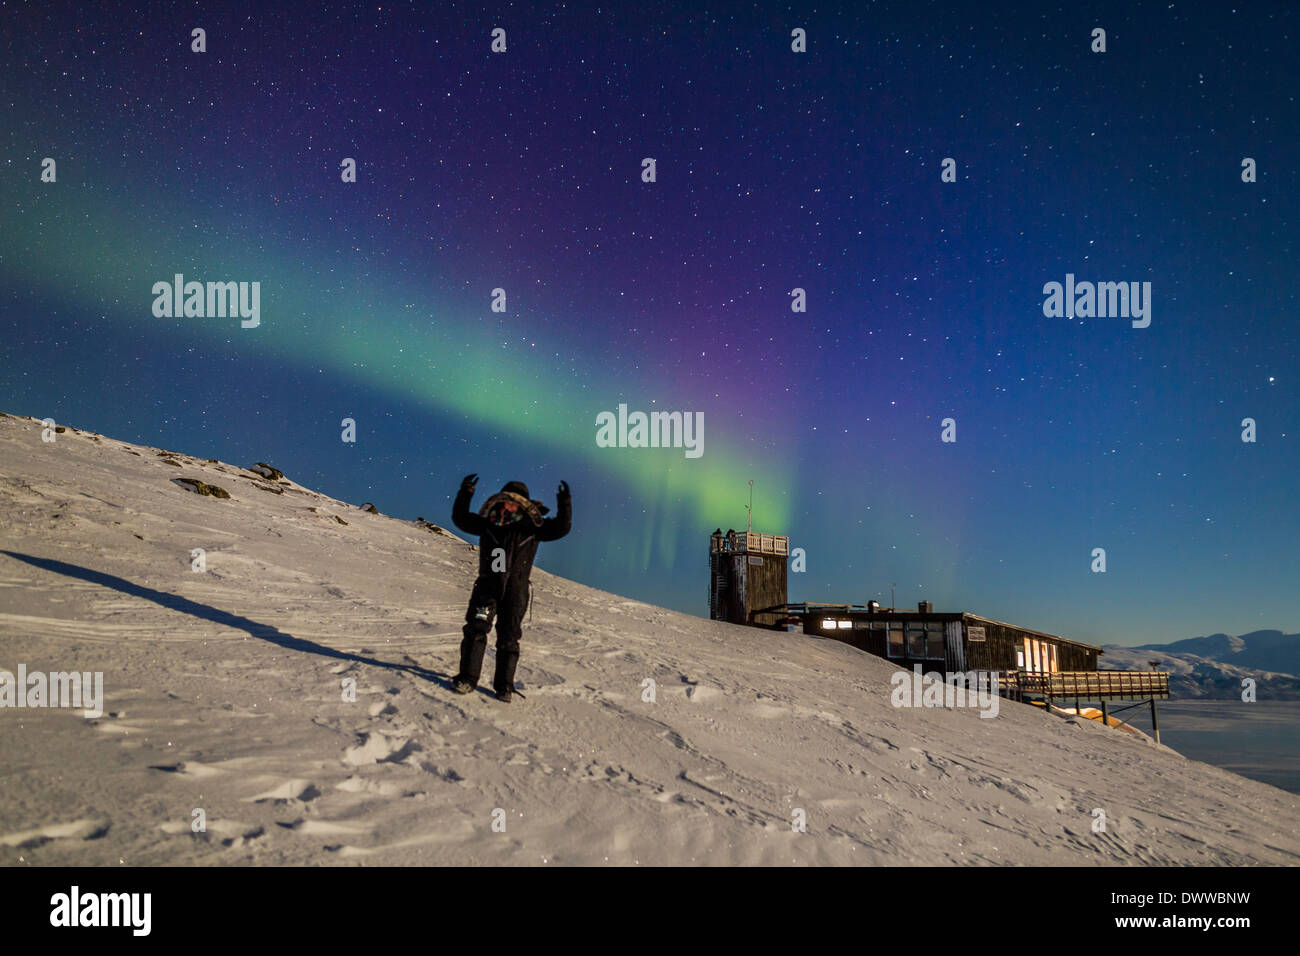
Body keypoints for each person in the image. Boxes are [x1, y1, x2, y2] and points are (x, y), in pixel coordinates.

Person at [450, 474, 571, 701]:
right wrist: (465, 493)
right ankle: (467, 678)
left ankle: (504, 686)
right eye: (507, 499)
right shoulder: (488, 523)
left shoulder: (534, 528)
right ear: (499, 500)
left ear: (524, 504)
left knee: (509, 638)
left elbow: (561, 528)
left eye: (515, 501)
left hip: (516, 590)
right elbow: (461, 519)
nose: (510, 504)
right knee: (476, 630)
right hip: (487, 587)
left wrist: (564, 502)